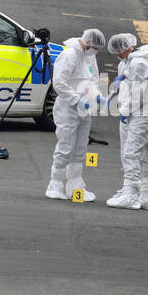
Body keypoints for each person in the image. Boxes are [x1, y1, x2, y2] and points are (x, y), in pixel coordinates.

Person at [46, 28, 107, 202]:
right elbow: (59, 82)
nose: (96, 51)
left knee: (80, 148)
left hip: (84, 108)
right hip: (68, 108)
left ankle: (75, 186)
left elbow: (93, 79)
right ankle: (55, 184)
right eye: (95, 48)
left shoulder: (89, 56)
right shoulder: (70, 55)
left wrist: (98, 97)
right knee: (65, 147)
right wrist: (75, 99)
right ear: (88, 43)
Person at [105, 32, 148, 211]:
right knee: (147, 154)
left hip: (142, 113)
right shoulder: (136, 59)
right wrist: (122, 76)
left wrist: (124, 110)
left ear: (125, 48)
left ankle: (131, 194)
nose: (116, 56)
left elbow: (138, 94)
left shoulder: (138, 63)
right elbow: (131, 75)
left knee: (131, 152)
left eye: (117, 52)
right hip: (146, 112)